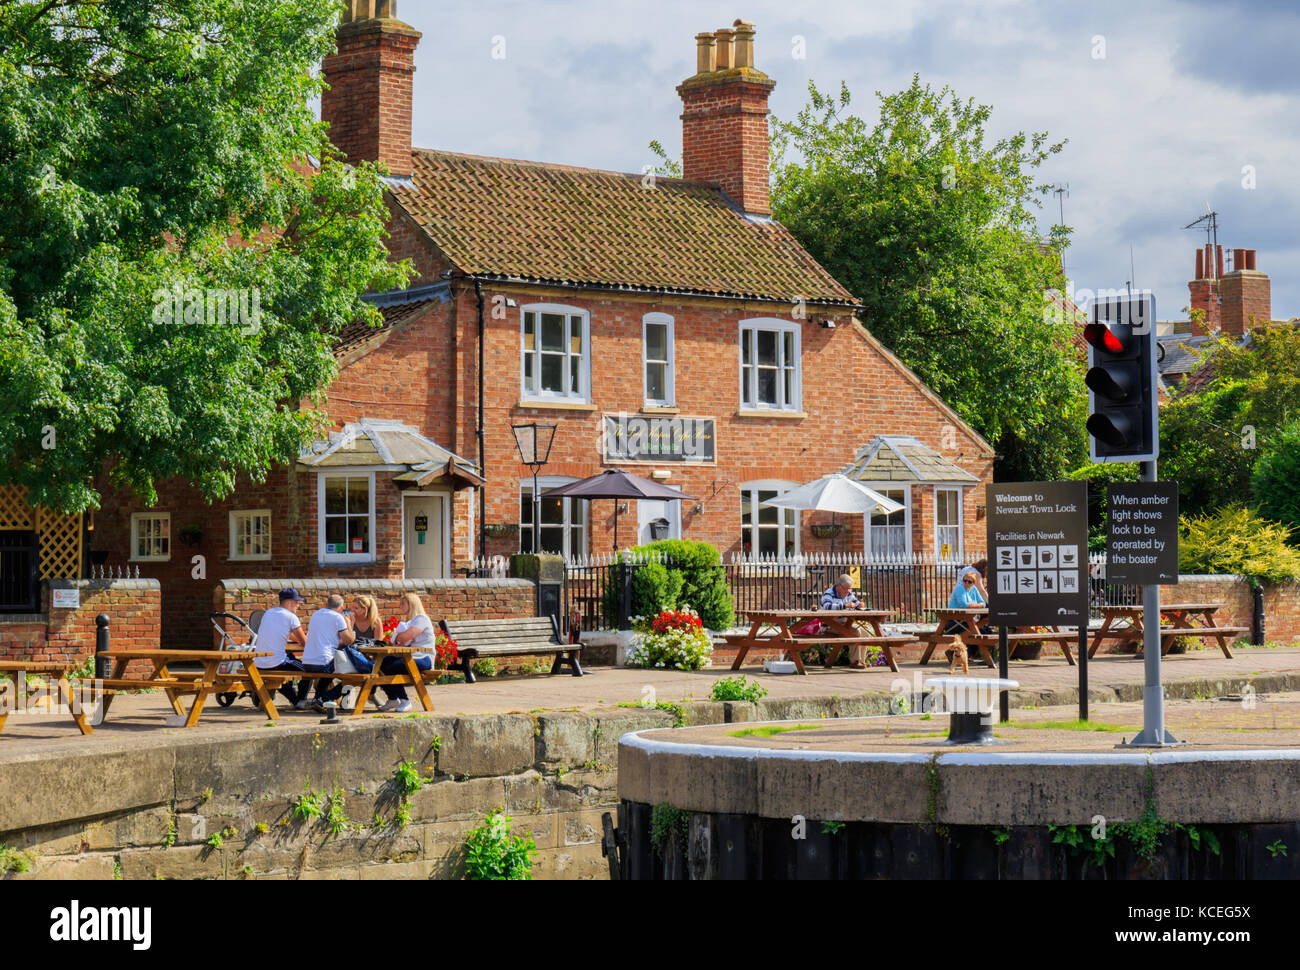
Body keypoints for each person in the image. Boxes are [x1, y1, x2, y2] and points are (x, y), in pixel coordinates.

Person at [377, 592, 436, 713]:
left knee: (395, 666)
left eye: (403, 604)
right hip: (411, 656)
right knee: (380, 664)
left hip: (424, 658)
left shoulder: (421, 619)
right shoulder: (411, 621)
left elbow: (405, 637)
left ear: (411, 604)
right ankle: (393, 698)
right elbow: (401, 642)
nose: (400, 607)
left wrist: (398, 635)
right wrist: (399, 638)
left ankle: (405, 700)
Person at [298, 593, 355, 712]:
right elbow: (348, 640)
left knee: (328, 669)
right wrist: (349, 624)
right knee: (352, 673)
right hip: (323, 662)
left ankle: (317, 699)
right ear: (341, 608)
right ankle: (323, 698)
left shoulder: (315, 615)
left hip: (306, 662)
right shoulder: (338, 617)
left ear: (325, 604)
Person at [254, 588, 308, 705]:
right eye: (297, 602)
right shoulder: (291, 617)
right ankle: (301, 700)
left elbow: (285, 634)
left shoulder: (268, 613)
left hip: (258, 663)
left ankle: (295, 700)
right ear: (289, 602)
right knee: (309, 670)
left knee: (288, 658)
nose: (298, 606)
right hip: (276, 663)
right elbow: (305, 643)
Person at [820, 573, 869, 670]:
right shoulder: (829, 593)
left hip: (844, 624)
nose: (848, 591)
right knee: (855, 633)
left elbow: (855, 602)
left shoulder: (849, 593)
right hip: (830, 625)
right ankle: (854, 661)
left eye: (850, 589)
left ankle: (861, 661)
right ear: (838, 586)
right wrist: (845, 605)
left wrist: (860, 605)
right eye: (846, 589)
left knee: (866, 634)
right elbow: (827, 607)